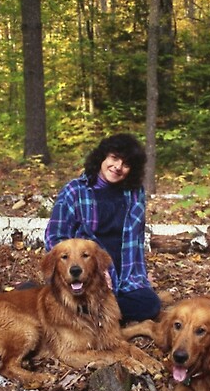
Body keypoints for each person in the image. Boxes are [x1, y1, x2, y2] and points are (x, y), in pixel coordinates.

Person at [45, 133, 161, 322]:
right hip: (86, 275)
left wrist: (139, 276)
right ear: (103, 157)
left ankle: (96, 312)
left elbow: (135, 240)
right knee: (75, 299)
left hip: (124, 278)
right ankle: (94, 311)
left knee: (150, 305)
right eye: (114, 158)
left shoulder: (134, 193)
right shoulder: (74, 191)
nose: (118, 167)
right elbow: (55, 238)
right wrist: (96, 268)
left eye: (126, 164)